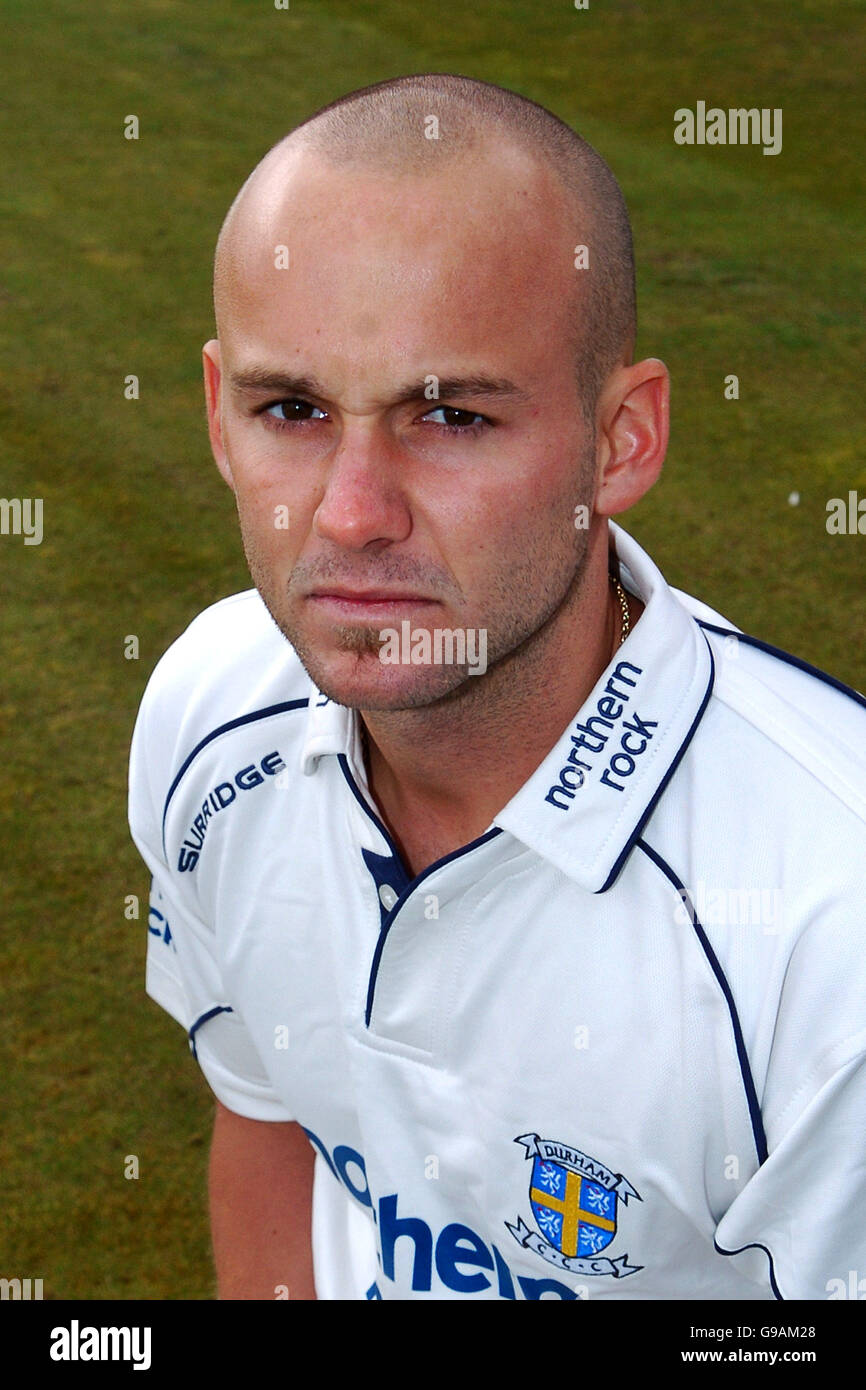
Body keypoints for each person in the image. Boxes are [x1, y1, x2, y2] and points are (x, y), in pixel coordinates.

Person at [129, 73, 866, 1301]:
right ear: (217, 415)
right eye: (292, 409)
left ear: (617, 439)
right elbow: (266, 1114)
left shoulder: (826, 922)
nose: (351, 516)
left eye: (451, 416)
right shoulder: (211, 710)